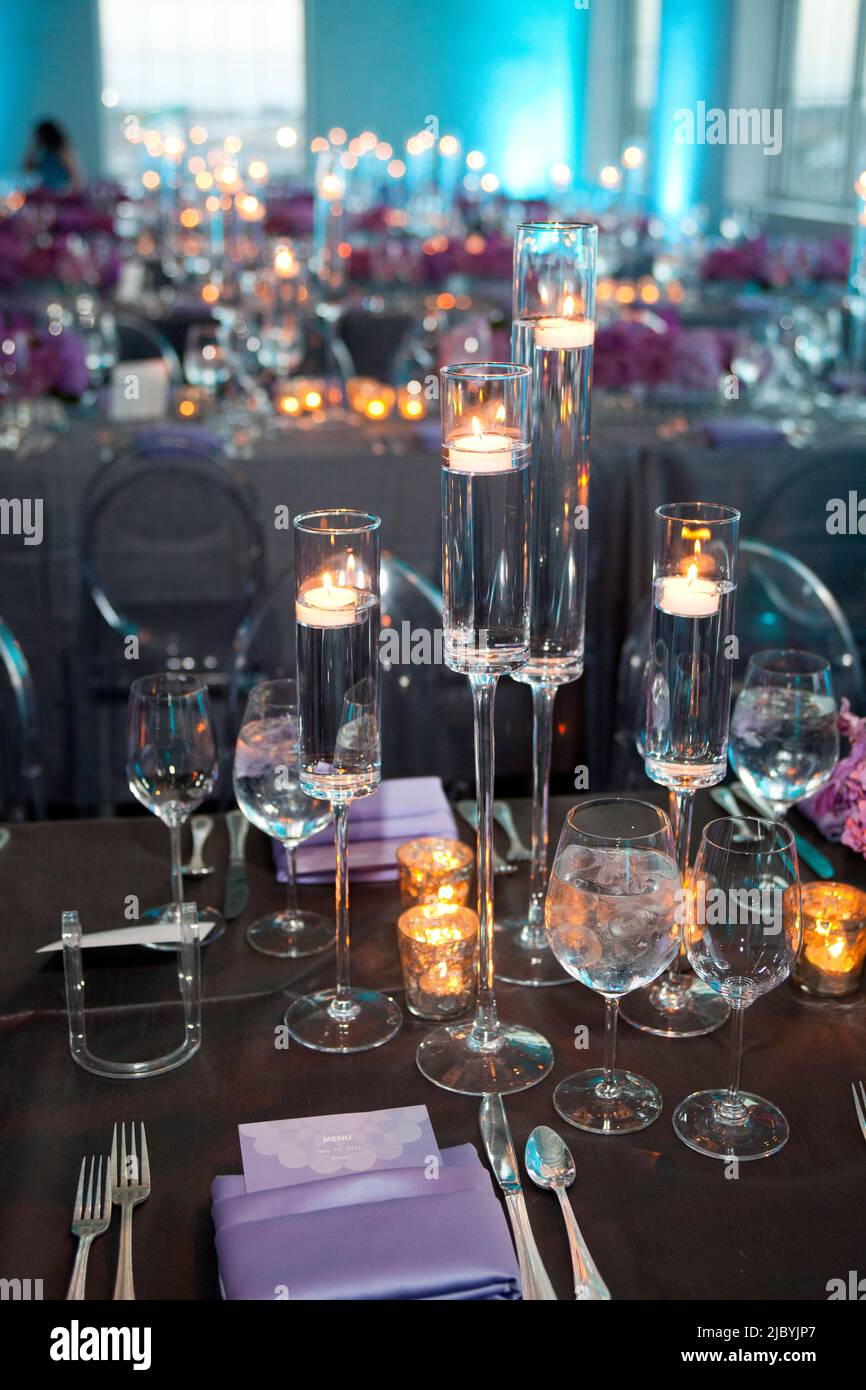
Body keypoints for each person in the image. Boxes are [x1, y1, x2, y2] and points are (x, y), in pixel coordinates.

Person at [23, 119, 82, 194]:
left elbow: (77, 178)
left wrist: (66, 193)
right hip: (47, 194)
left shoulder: (62, 151)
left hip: (62, 195)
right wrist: (34, 147)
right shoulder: (44, 155)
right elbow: (27, 168)